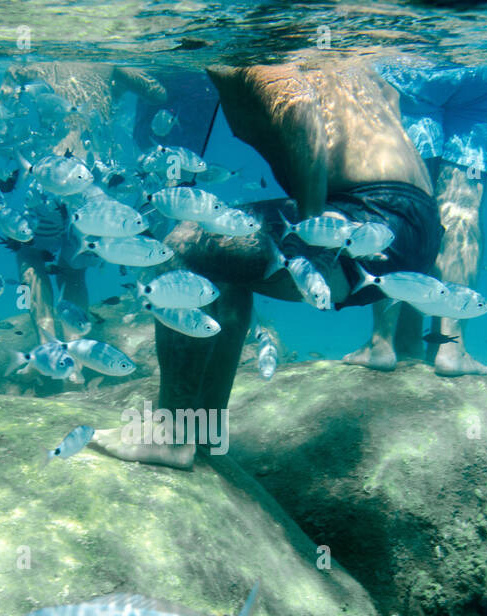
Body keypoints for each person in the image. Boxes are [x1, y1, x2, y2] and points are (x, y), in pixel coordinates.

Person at [92, 58, 445, 468]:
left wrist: (314, 234)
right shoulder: (336, 59)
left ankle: (170, 435)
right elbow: (390, 98)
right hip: (416, 214)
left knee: (185, 243)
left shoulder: (256, 51)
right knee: (225, 249)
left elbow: (303, 117)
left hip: (367, 213)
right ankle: (203, 427)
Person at [0, 62, 168, 352]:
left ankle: (47, 346)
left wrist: (12, 82)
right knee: (75, 269)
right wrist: (120, 79)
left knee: (29, 253)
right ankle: (74, 358)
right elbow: (158, 95)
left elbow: (5, 93)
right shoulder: (112, 65)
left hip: (50, 173)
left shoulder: (41, 64)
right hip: (92, 178)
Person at [369, 57, 487, 376]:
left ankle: (385, 342)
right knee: (462, 206)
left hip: (414, 68)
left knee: (404, 201)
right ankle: (451, 347)